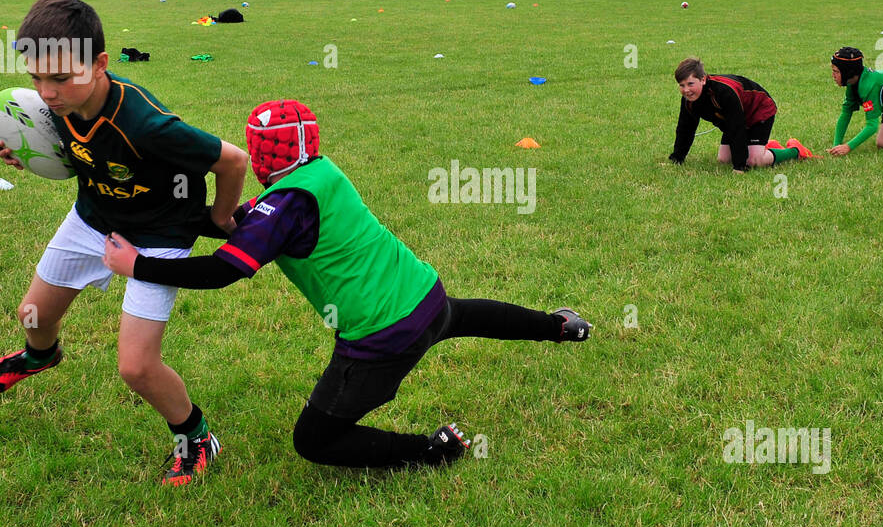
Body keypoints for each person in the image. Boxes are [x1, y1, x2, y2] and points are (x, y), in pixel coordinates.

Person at [103, 99, 592, 473]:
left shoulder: (283, 204)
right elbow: (250, 223)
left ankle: (434, 451)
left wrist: (137, 266)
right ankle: (560, 326)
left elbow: (223, 271)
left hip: (382, 338)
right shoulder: (322, 172)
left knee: (314, 442)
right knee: (465, 316)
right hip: (424, 294)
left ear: (257, 152)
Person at [0, 0, 249, 486]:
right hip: (93, 217)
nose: (47, 92)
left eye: (60, 78)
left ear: (100, 64)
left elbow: (233, 160)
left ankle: (195, 436)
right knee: (32, 316)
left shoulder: (145, 122)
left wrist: (222, 216)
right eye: (37, 77)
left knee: (137, 367)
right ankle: (42, 355)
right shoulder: (54, 105)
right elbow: (71, 155)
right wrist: (24, 152)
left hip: (159, 235)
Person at [667, 57, 814, 172]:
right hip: (736, 120)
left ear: (703, 79)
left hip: (759, 110)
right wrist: (677, 158)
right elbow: (685, 128)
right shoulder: (689, 100)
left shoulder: (724, 92)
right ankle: (766, 147)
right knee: (724, 159)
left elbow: (737, 128)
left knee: (753, 161)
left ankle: (795, 151)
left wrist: (739, 167)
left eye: (690, 84)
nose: (686, 90)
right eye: (682, 85)